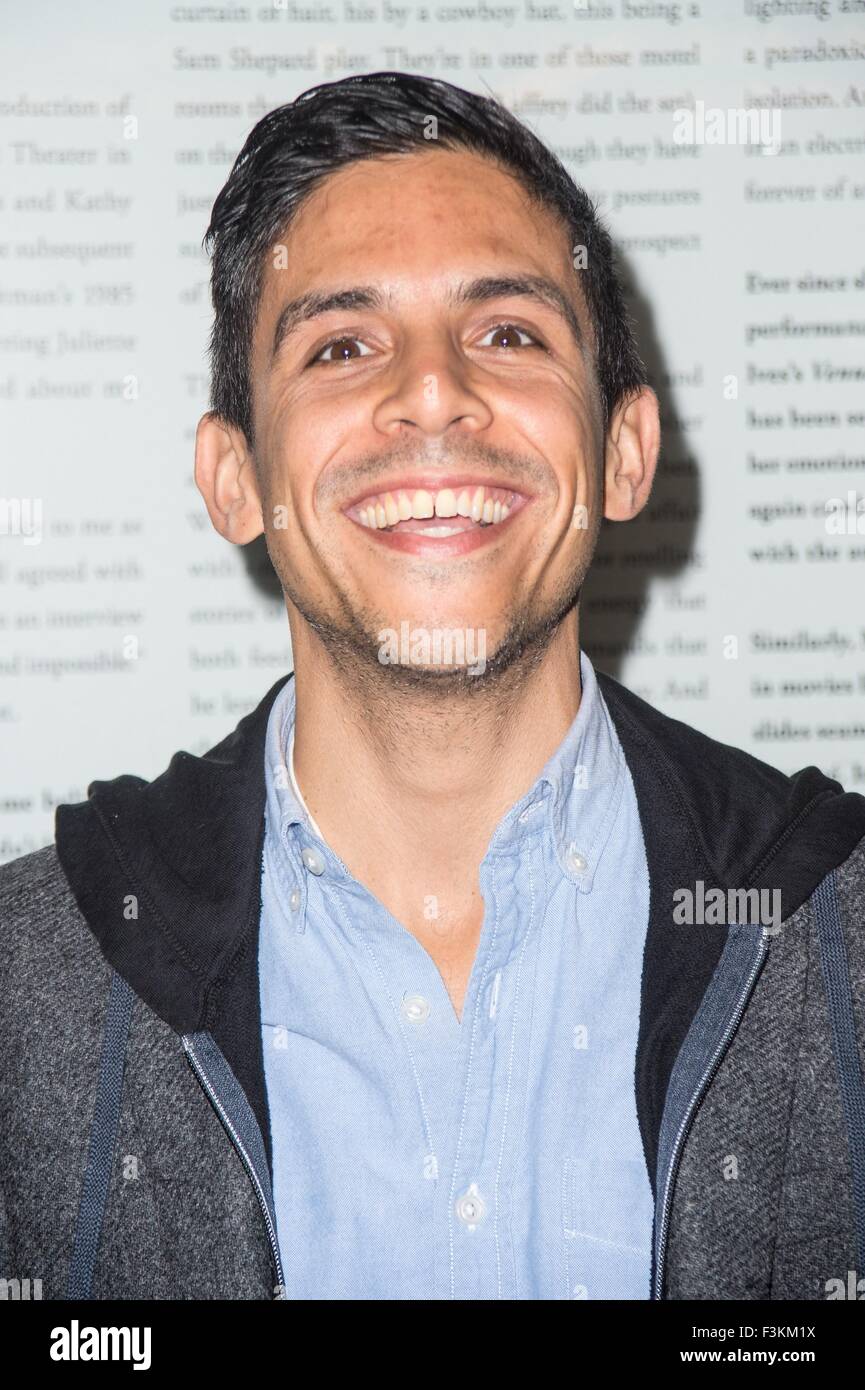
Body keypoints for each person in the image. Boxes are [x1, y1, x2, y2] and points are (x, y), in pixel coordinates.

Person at [2, 71, 864, 1303]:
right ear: (234, 477)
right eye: (342, 344)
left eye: (507, 332)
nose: (429, 392)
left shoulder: (841, 941)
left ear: (623, 451)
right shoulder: (25, 987)